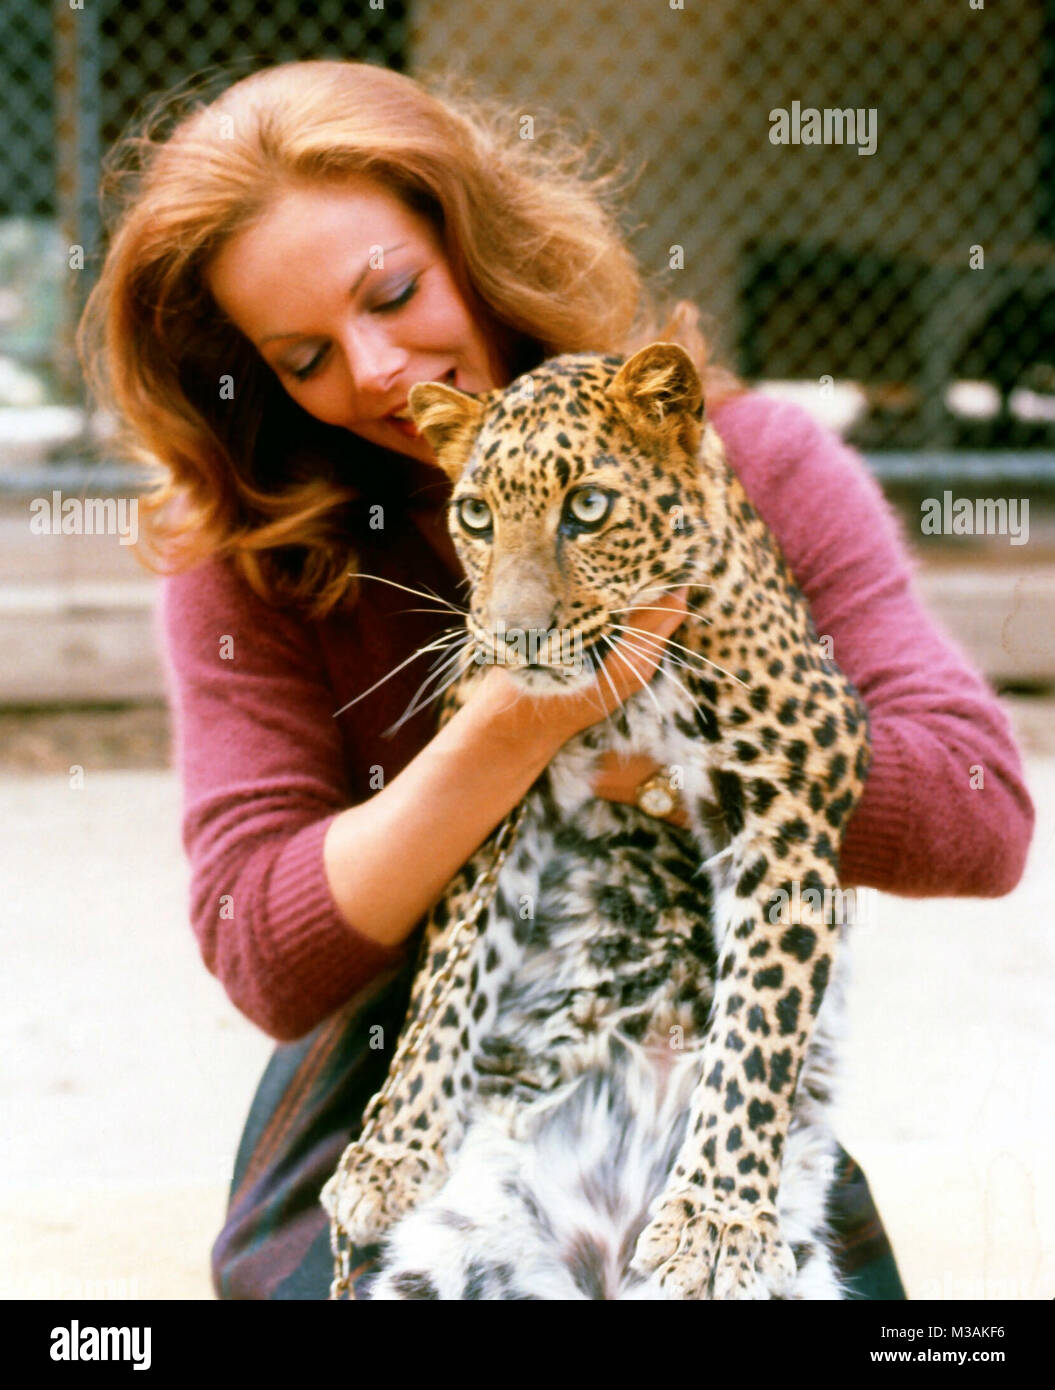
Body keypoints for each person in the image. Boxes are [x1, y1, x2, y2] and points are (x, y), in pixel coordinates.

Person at [78, 59, 1034, 1301]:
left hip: (693, 1066)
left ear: (475, 241)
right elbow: (265, 947)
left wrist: (668, 761)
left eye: (394, 293)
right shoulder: (260, 553)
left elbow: (976, 809)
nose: (377, 369)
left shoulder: (748, 458)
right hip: (403, 1068)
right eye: (304, 356)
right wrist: (517, 726)